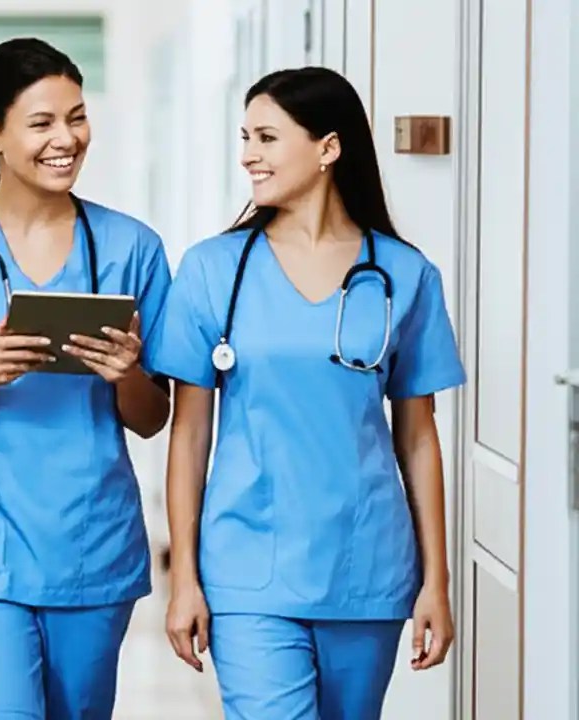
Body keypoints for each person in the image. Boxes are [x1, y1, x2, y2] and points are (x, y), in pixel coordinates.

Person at [152, 66, 464, 720]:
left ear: (328, 148)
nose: (248, 155)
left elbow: (418, 435)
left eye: (266, 137)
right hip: (248, 571)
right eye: (244, 137)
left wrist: (437, 580)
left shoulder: (404, 274)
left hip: (367, 568)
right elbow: (189, 434)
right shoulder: (213, 270)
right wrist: (184, 579)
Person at [0, 38, 172, 718]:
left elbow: (152, 414)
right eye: (42, 123)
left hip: (90, 544)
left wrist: (125, 374)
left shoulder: (132, 249)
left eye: (76, 117)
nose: (67, 139)